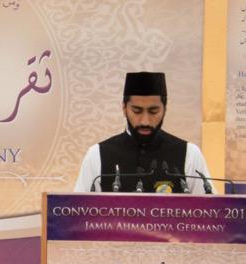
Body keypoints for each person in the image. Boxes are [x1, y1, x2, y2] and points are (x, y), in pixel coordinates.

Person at [73, 71, 214, 194]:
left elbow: (209, 211)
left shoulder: (189, 154)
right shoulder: (97, 154)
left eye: (153, 111)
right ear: (124, 108)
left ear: (165, 109)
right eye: (137, 111)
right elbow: (78, 211)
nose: (145, 121)